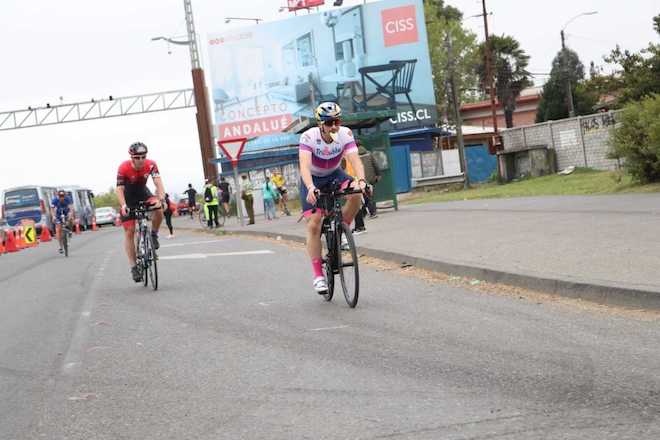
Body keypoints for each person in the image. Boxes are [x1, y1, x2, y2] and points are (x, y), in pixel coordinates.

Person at [299, 102, 368, 294]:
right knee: (314, 223)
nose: (334, 126)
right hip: (313, 178)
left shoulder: (345, 134)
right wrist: (311, 187)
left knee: (356, 192)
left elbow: (355, 160)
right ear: (321, 124)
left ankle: (341, 229)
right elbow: (304, 166)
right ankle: (318, 276)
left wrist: (361, 180)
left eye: (337, 121)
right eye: (329, 123)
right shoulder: (308, 137)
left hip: (335, 174)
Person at [116, 141, 166, 283]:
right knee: (130, 231)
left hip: (144, 193)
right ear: (131, 157)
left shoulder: (151, 164)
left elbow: (158, 183)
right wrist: (123, 205)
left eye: (143, 156)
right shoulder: (123, 167)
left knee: (159, 208)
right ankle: (133, 267)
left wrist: (162, 198)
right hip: (128, 198)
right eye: (137, 157)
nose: (141, 160)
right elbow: (119, 189)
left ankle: (154, 234)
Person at [358, 143, 381, 218]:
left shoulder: (354, 155)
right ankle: (371, 211)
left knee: (363, 196)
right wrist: (378, 175)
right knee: (370, 195)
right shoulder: (369, 154)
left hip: (361, 179)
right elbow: (375, 165)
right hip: (371, 178)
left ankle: (370, 212)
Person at [51, 189, 74, 254]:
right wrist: (53, 216)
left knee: (71, 218)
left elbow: (71, 208)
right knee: (59, 229)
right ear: (58, 196)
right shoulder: (55, 200)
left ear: (65, 195)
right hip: (58, 214)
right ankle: (60, 247)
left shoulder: (68, 199)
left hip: (66, 212)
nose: (62, 198)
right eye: (60, 196)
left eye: (63, 196)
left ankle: (70, 231)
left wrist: (70, 216)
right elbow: (52, 210)